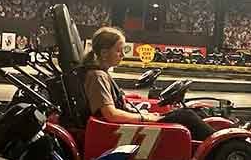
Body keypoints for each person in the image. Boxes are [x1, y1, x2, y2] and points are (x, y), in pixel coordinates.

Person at [81, 26, 214, 141]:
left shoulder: (101, 74)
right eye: (118, 50)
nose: (122, 55)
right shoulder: (97, 76)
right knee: (186, 116)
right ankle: (220, 144)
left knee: (192, 113)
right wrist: (146, 118)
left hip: (125, 122)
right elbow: (111, 114)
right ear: (104, 53)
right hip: (114, 129)